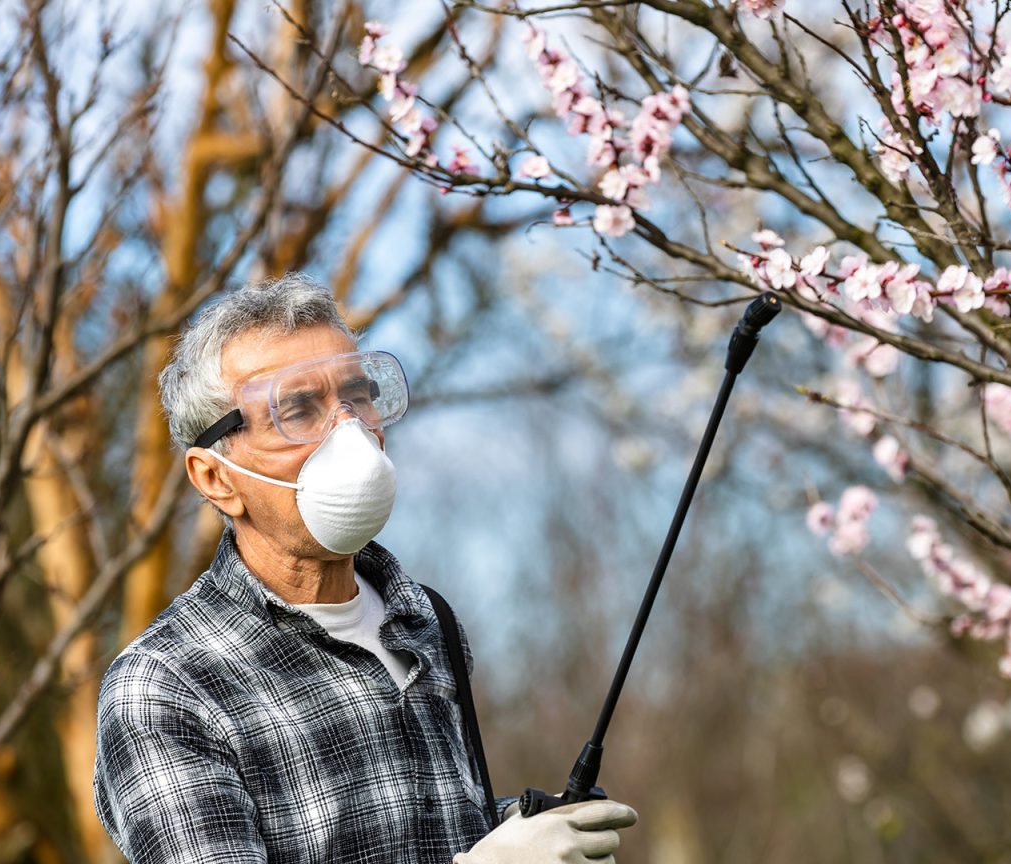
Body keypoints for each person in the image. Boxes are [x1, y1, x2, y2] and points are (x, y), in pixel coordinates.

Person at [93, 274, 639, 863]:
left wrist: (519, 829)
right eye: (298, 408)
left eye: (357, 394)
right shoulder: (166, 688)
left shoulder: (426, 618)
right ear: (215, 477)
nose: (348, 427)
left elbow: (412, 837)